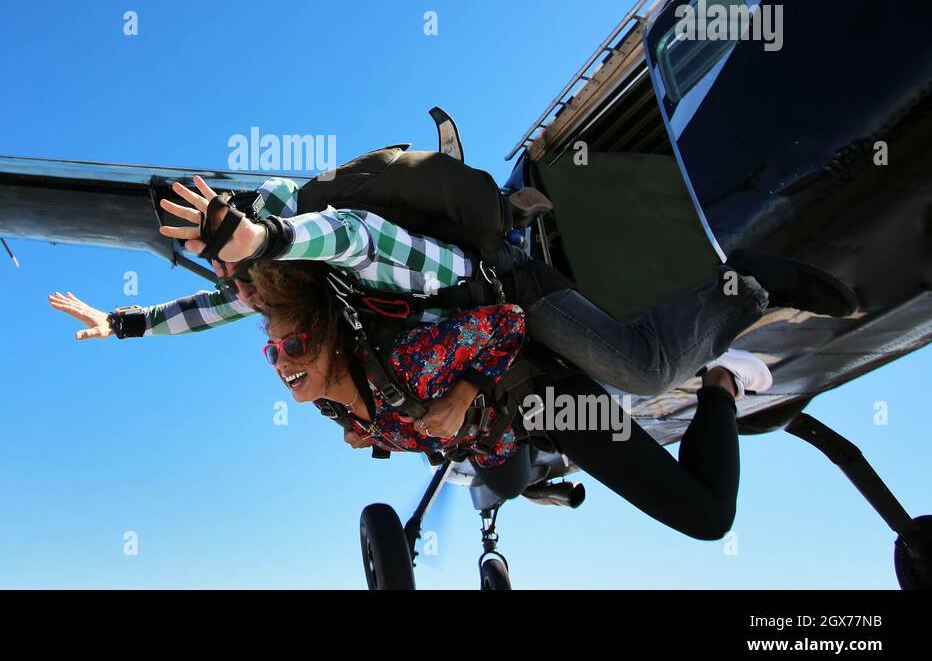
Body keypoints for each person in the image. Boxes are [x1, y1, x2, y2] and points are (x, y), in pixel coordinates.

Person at [50, 174, 854, 401]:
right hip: (476, 341)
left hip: (505, 290)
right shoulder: (254, 281)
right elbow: (199, 310)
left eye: (210, 242)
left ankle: (749, 287)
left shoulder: (306, 240)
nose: (227, 277)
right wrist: (118, 324)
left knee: (640, 369)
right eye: (210, 257)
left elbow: (353, 237)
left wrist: (262, 237)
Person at [248, 259, 766, 541]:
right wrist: (366, 431)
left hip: (542, 401)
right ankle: (532, 477)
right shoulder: (334, 405)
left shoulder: (408, 363)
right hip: (496, 445)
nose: (282, 362)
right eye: (272, 352)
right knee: (506, 481)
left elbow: (508, 322)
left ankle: (721, 373)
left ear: (331, 336)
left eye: (293, 346)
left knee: (707, 518)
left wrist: (462, 396)